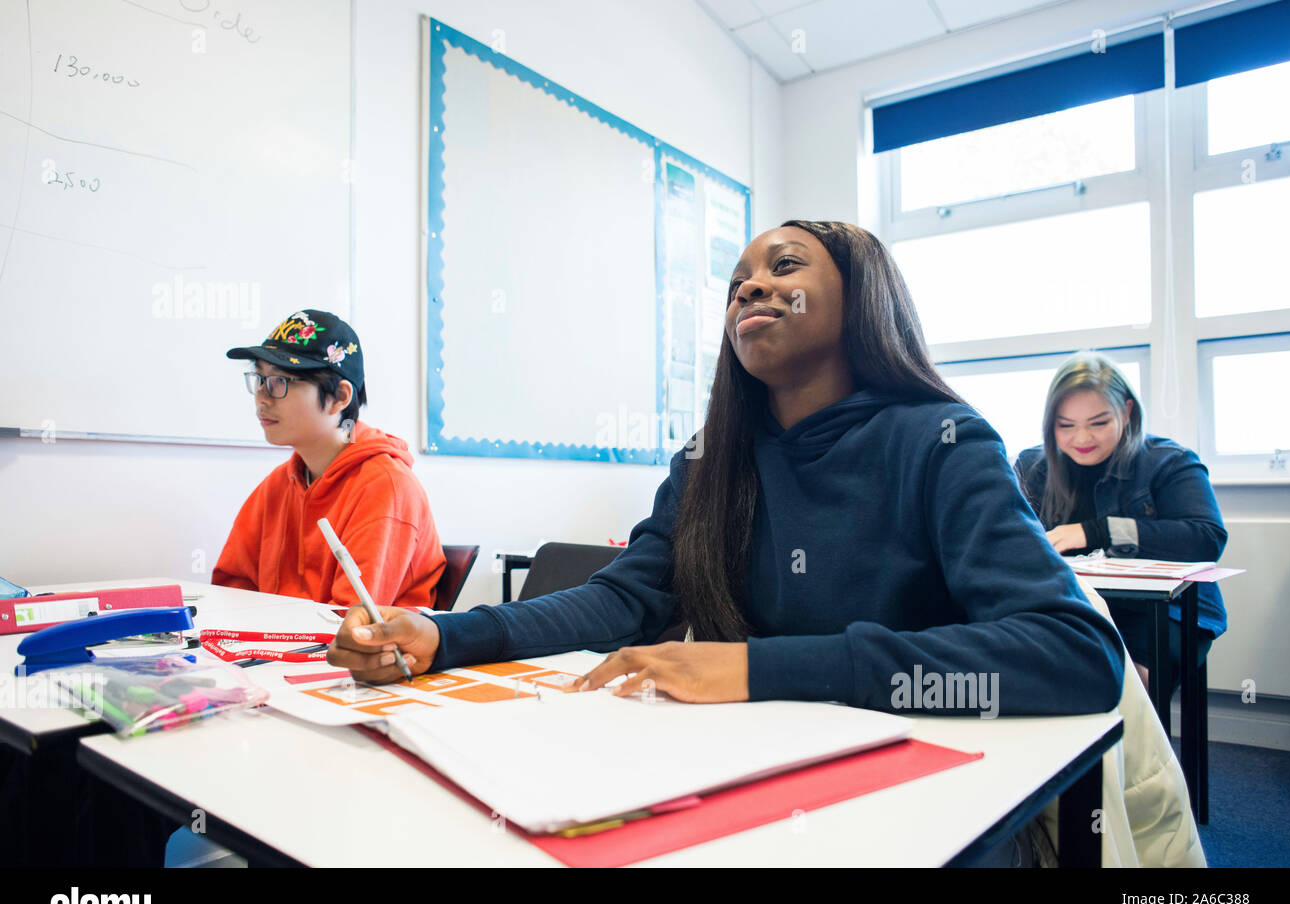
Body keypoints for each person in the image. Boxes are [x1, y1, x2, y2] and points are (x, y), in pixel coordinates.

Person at [328, 222, 1123, 726]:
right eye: (740, 278)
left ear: (862, 296)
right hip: (753, 764)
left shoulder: (940, 441)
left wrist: (755, 666)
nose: (750, 284)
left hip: (921, 782)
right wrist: (445, 633)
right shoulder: (711, 458)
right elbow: (625, 595)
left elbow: (1075, 651)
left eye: (785, 265)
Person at [1014, 352, 1228, 689]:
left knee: (1122, 687)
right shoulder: (1031, 467)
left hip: (1163, 613)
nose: (1082, 439)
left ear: (1127, 412)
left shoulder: (1169, 461)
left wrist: (1096, 532)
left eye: (1099, 423)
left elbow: (1206, 538)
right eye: (1066, 425)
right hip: (1073, 603)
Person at [213, 309, 446, 606]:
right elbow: (230, 592)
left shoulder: (386, 486)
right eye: (259, 378)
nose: (261, 396)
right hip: (278, 649)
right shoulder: (278, 484)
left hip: (357, 651)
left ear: (339, 397)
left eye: (279, 381)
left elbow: (351, 622)